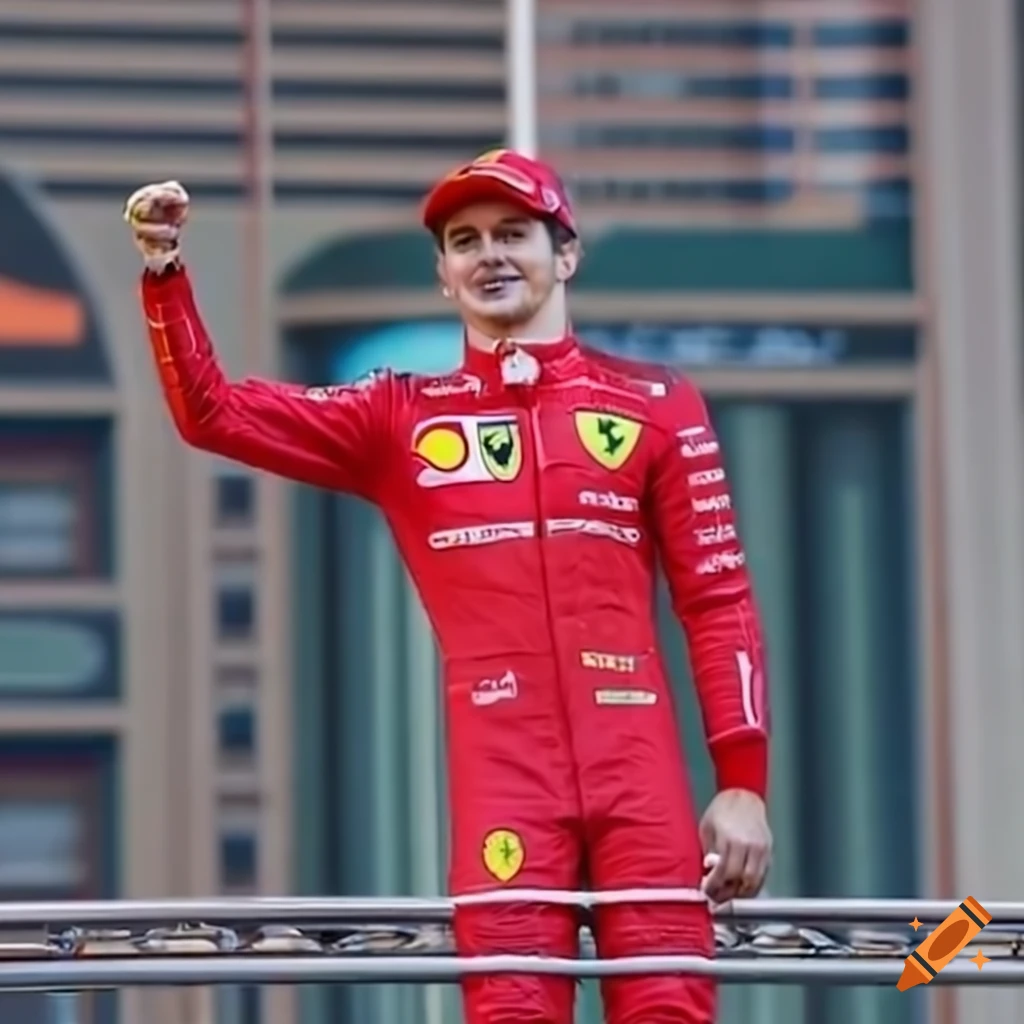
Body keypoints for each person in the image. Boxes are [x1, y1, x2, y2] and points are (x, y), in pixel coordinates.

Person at [124, 149, 772, 1024]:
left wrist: (742, 783)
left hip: (639, 775)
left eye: (514, 234)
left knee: (668, 1009)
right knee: (510, 1010)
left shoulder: (657, 403)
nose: (490, 256)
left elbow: (718, 598)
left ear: (566, 255)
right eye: (465, 241)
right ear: (442, 276)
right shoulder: (399, 414)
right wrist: (165, 273)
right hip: (504, 776)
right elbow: (214, 413)